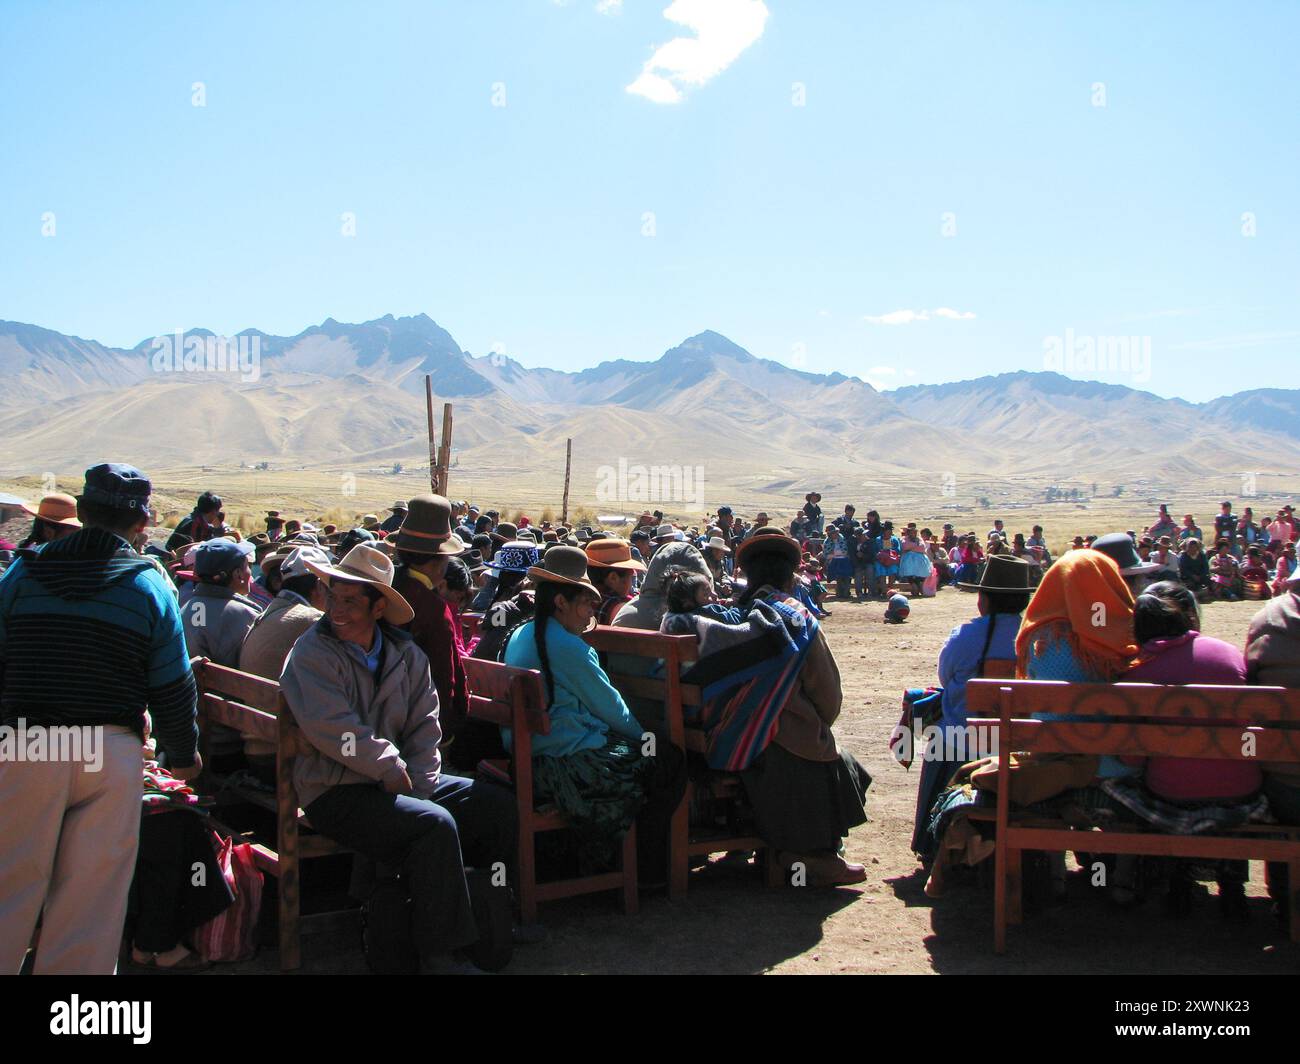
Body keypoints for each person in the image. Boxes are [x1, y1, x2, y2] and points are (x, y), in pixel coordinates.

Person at [0, 463, 201, 974]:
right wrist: (182, 753)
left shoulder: (23, 573)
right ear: (142, 523)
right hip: (110, 750)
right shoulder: (148, 586)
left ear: (83, 512)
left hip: (28, 744)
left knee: (10, 883)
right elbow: (172, 684)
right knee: (90, 898)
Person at [280, 543, 516, 972]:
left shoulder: (405, 654)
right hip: (334, 789)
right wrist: (389, 767)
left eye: (350, 599)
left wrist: (422, 781)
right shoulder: (311, 653)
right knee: (434, 826)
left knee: (495, 806)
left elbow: (426, 725)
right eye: (333, 595)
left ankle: (492, 921)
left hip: (400, 782)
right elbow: (334, 731)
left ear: (377, 607)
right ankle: (438, 949)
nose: (336, 606)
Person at [503, 546, 685, 878]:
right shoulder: (567, 646)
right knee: (669, 761)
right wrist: (648, 739)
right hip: (565, 762)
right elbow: (612, 709)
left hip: (529, 755)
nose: (591, 612)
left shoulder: (521, 632)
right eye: (586, 602)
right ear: (561, 602)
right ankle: (642, 869)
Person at [724, 528, 871, 884]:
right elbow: (828, 697)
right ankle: (808, 854)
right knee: (833, 755)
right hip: (776, 743)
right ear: (791, 577)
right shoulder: (797, 618)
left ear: (746, 574)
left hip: (725, 737)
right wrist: (812, 721)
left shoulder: (728, 615)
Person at [1117, 581, 1258, 915]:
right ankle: (1232, 884)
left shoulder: (1138, 673)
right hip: (1242, 792)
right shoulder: (1228, 654)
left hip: (1172, 796)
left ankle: (1177, 881)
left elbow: (1130, 757)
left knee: (1156, 783)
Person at [912, 556, 1032, 858]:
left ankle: (934, 840)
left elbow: (945, 676)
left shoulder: (965, 635)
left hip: (961, 743)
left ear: (984, 600)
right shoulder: (1034, 638)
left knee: (936, 724)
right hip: (1018, 745)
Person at [390, 496, 473, 765]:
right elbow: (443, 678)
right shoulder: (434, 610)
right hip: (416, 732)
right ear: (438, 561)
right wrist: (444, 736)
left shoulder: (388, 588)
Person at [586, 538, 646, 626]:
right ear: (613, 578)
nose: (631, 581)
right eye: (630, 575)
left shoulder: (575, 599)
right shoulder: (621, 608)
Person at [16, 492, 82, 549]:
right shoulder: (34, 558)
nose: (78, 534)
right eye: (72, 528)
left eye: (79, 529)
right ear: (49, 532)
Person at [898, 524, 933, 596]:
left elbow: (922, 547)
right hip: (908, 559)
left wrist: (911, 548)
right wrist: (915, 546)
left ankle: (919, 587)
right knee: (910, 573)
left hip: (920, 560)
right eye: (911, 532)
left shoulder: (919, 539)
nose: (913, 533)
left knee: (920, 574)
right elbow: (905, 546)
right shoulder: (904, 539)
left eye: (915, 532)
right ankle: (914, 586)